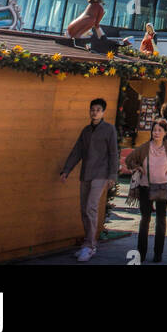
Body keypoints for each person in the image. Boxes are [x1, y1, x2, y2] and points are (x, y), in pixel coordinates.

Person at [60, 96, 119, 263]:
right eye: (92, 110)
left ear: (103, 112)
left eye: (98, 110)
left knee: (91, 208)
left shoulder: (109, 130)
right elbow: (77, 151)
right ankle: (87, 242)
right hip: (86, 174)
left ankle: (90, 246)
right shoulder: (85, 131)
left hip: (101, 175)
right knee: (83, 209)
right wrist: (66, 170)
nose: (95, 113)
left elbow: (114, 153)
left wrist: (112, 175)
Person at [124, 118, 167, 264]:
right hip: (146, 187)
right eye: (154, 130)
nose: (156, 133)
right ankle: (141, 253)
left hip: (163, 188)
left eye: (160, 130)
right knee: (145, 220)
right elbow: (129, 160)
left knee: (160, 221)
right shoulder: (145, 147)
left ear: (165, 132)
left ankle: (158, 254)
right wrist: (137, 167)